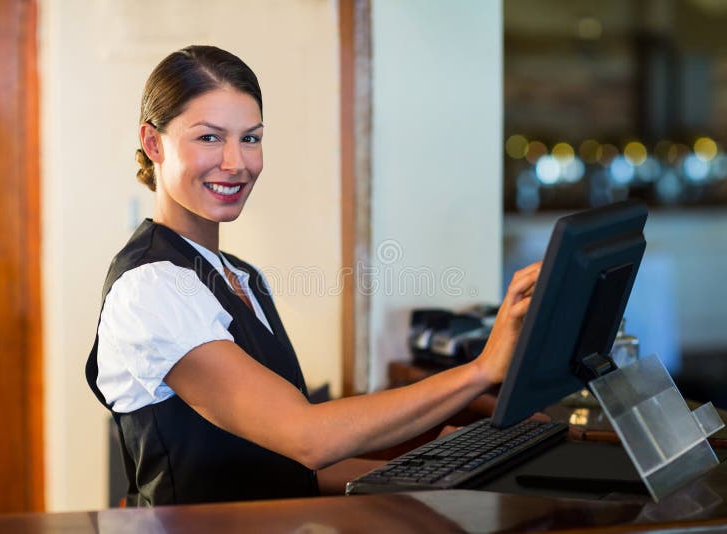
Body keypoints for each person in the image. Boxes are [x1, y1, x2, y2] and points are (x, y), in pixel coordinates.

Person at [85, 45, 541, 506]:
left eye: (250, 138)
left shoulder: (241, 276)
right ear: (153, 143)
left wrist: (427, 466)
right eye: (209, 137)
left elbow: (291, 463)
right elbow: (309, 437)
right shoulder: (150, 289)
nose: (236, 162)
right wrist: (480, 370)